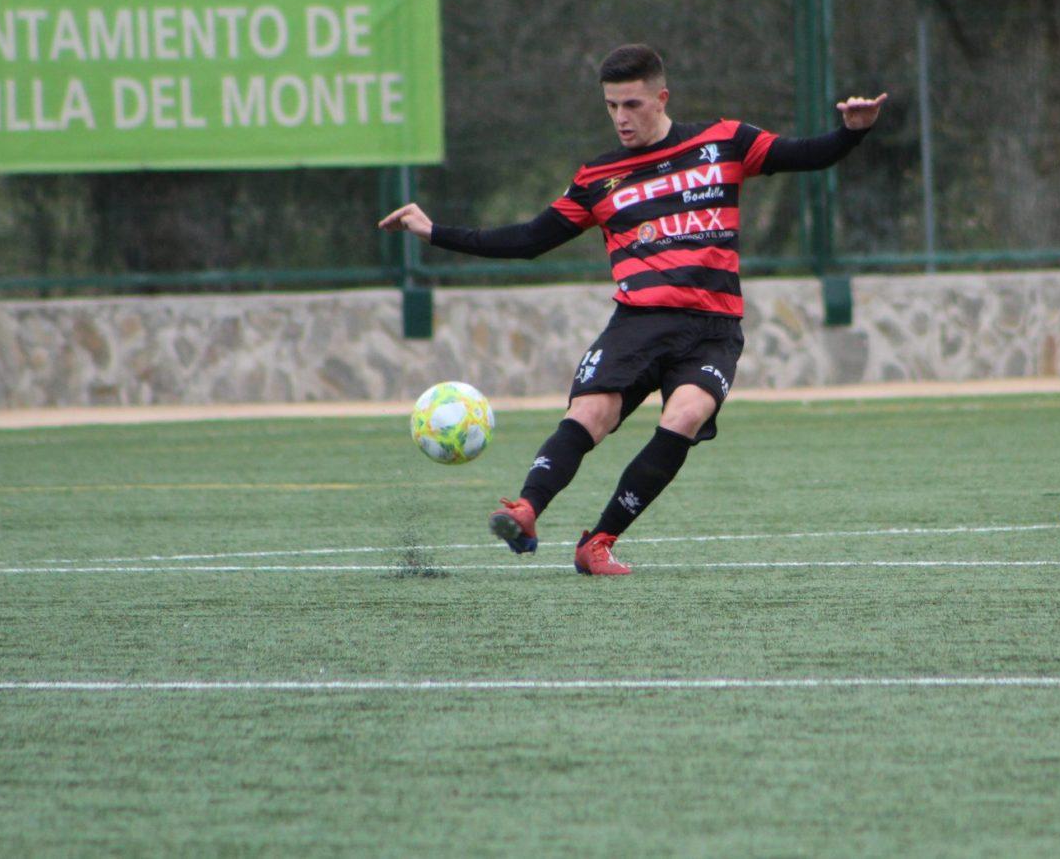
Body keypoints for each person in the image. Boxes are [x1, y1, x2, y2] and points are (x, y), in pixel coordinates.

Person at [379, 44, 886, 574]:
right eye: (612, 106)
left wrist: (853, 131)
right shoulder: (599, 178)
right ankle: (527, 509)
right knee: (590, 415)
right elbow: (528, 239)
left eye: (633, 105)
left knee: (685, 415)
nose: (621, 117)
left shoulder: (725, 142)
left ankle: (597, 542)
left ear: (662, 97)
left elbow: (809, 154)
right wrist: (434, 232)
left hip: (713, 328)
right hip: (638, 321)